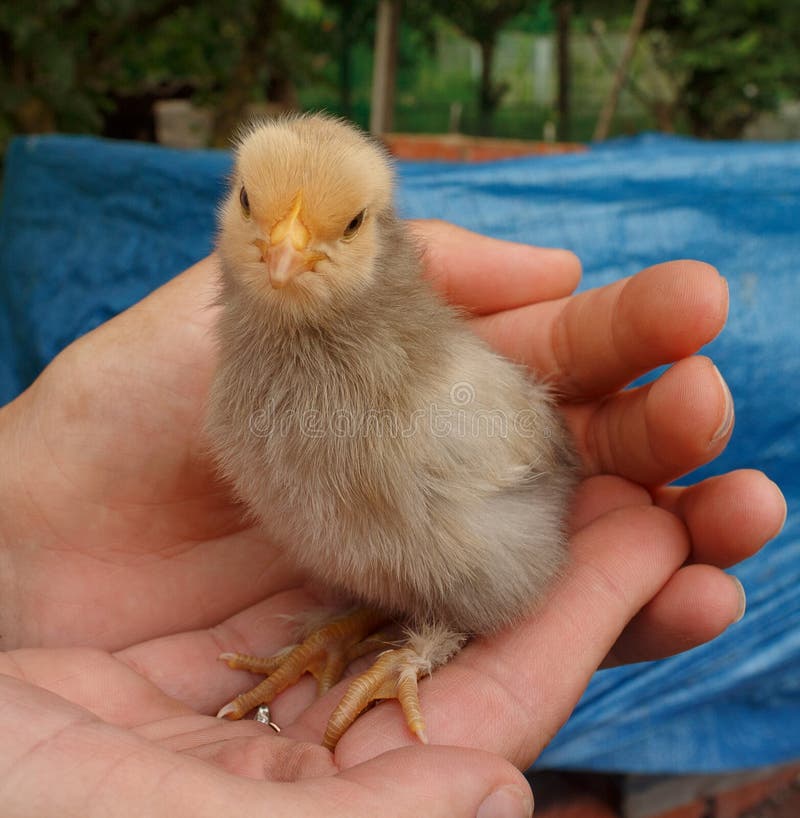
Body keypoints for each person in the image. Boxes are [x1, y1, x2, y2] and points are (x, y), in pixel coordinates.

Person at [0, 221, 785, 818]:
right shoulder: (238, 380)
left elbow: (527, 473)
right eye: (260, 214)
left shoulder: (441, 393)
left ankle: (423, 642)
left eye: (337, 228)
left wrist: (425, 646)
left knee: (459, 561)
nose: (287, 247)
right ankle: (358, 625)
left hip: (500, 521)